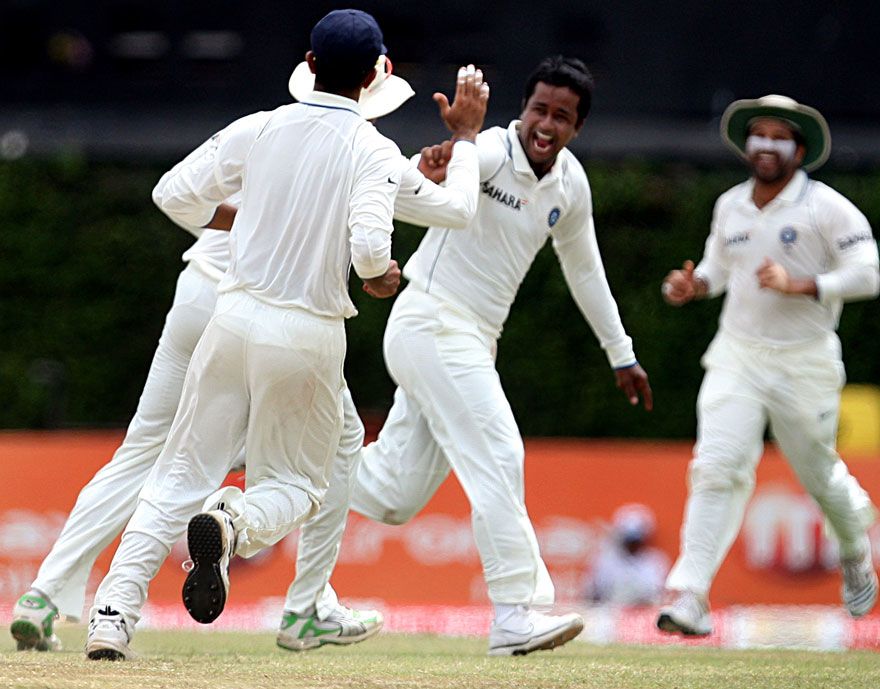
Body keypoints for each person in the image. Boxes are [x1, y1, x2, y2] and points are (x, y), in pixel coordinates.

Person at [10, 35, 488, 655]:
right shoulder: (372, 149)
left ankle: (109, 612)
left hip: (226, 316)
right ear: (377, 75)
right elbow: (414, 229)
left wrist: (255, 215)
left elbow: (172, 194)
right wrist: (466, 143)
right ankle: (245, 536)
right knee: (302, 481)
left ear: (309, 64)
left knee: (170, 469)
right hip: (304, 333)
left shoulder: (261, 126)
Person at [277, 55, 653, 657]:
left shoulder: (570, 184)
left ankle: (276, 464)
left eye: (561, 116)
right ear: (522, 109)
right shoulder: (490, 152)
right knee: (500, 452)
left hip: (472, 339)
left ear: (577, 127)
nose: (546, 125)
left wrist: (621, 353)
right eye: (539, 109)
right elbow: (404, 195)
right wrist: (432, 162)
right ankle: (514, 615)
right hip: (431, 322)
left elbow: (586, 271)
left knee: (392, 495)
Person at [656, 94, 880, 636]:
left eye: (780, 137)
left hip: (805, 362)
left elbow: (867, 274)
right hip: (738, 354)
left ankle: (854, 547)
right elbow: (716, 268)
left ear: (799, 151)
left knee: (818, 474)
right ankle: (691, 595)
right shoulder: (730, 205)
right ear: (746, 145)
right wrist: (692, 285)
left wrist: (799, 284)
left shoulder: (826, 207)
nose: (767, 145)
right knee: (716, 465)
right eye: (759, 134)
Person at [583, 503, 669, 606]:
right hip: (610, 611)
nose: (632, 545)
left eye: (636, 540)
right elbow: (591, 594)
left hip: (645, 612)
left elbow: (660, 596)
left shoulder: (655, 562)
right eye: (628, 539)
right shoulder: (605, 561)